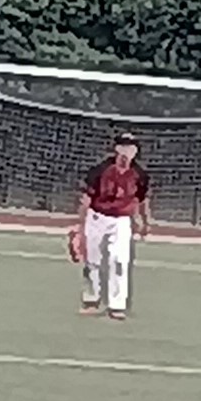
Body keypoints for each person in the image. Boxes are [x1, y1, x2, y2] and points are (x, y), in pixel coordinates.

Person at [72, 133, 152, 320]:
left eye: (131, 147)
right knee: (93, 261)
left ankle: (117, 306)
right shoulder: (101, 170)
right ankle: (91, 301)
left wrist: (145, 221)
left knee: (120, 261)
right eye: (123, 146)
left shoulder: (139, 174)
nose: (127, 151)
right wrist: (80, 227)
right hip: (97, 217)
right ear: (116, 149)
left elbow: (142, 200)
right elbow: (86, 199)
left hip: (121, 220)